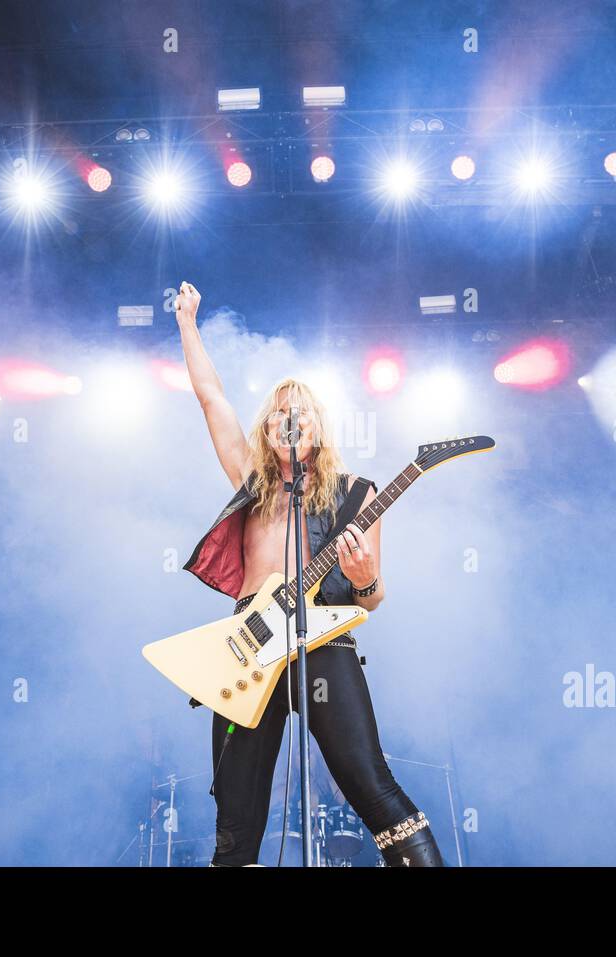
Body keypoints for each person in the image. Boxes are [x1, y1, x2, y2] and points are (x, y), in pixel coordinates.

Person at [174, 281, 444, 867]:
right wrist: (188, 325)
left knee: (371, 783)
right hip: (247, 648)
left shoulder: (357, 496)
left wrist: (365, 576)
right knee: (235, 816)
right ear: (267, 430)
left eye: (298, 412)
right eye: (277, 412)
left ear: (316, 426)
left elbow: (371, 600)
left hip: (323, 645)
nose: (286, 419)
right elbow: (211, 398)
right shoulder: (251, 481)